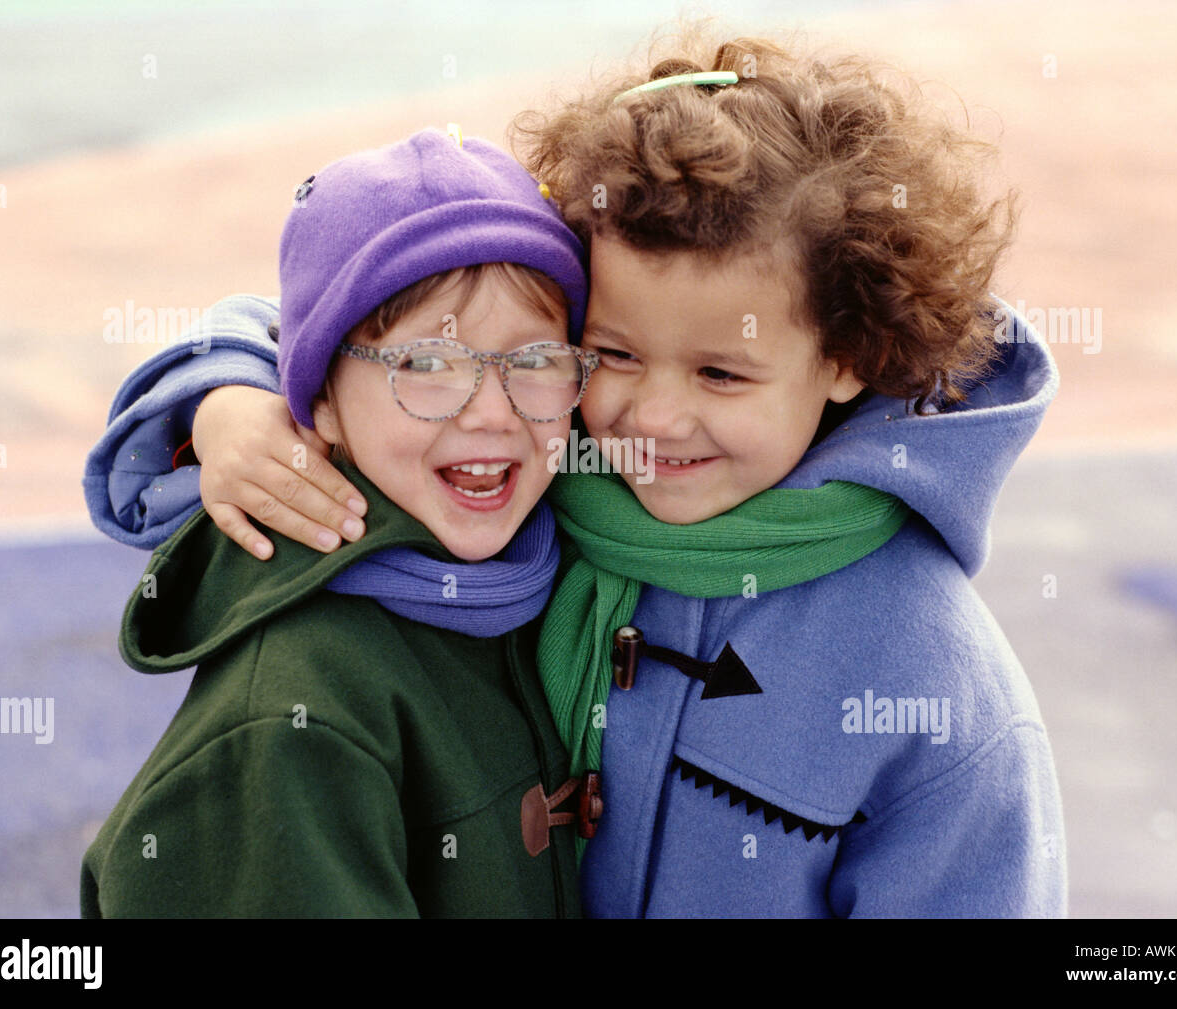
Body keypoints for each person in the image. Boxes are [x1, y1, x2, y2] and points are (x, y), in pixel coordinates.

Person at [84, 31, 1067, 918]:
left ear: (848, 354)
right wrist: (229, 398)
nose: (654, 416)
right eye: (615, 354)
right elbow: (364, 302)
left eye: (722, 371)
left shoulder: (934, 686)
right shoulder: (536, 472)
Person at [80, 128, 599, 917]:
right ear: (318, 399)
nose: (494, 414)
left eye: (534, 361)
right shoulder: (293, 722)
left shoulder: (544, 554)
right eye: (427, 365)